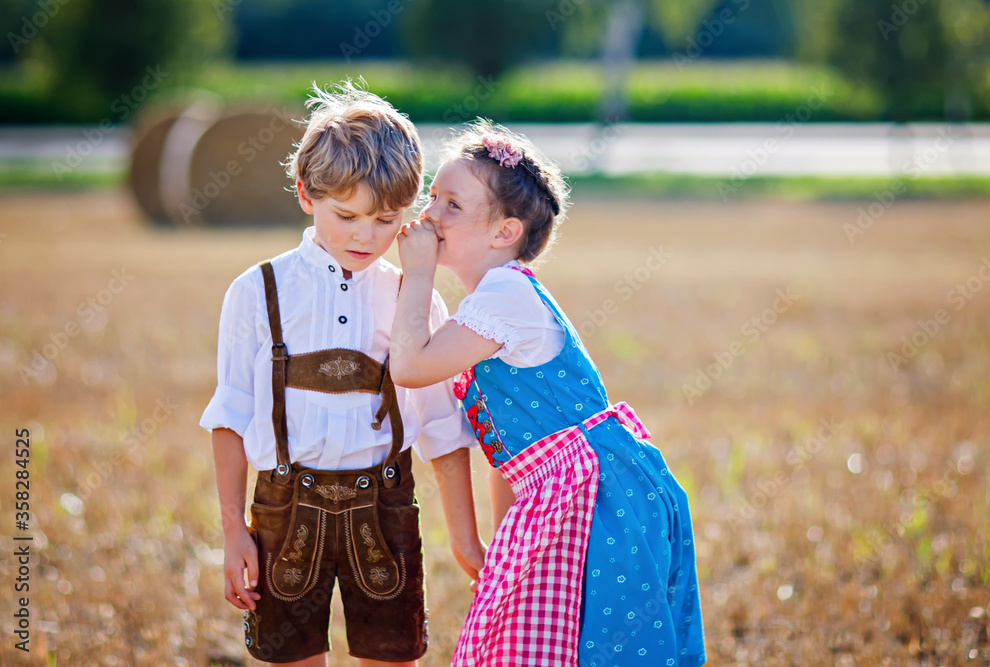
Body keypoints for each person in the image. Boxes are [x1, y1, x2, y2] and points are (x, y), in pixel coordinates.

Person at [389, 120, 706, 667]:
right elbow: (510, 458)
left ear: (504, 232)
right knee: (533, 641)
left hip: (600, 498)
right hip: (568, 490)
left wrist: (415, 275)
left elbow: (411, 365)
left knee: (594, 645)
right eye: (432, 197)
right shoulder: (493, 300)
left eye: (452, 205)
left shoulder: (506, 295)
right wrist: (503, 541)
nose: (430, 214)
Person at [199, 82, 485, 667]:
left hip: (384, 506)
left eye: (386, 220)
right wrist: (234, 531)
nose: (365, 236)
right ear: (306, 194)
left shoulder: (415, 298)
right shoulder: (257, 292)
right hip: (283, 510)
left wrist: (466, 541)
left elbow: (442, 431)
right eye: (346, 215)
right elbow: (229, 416)